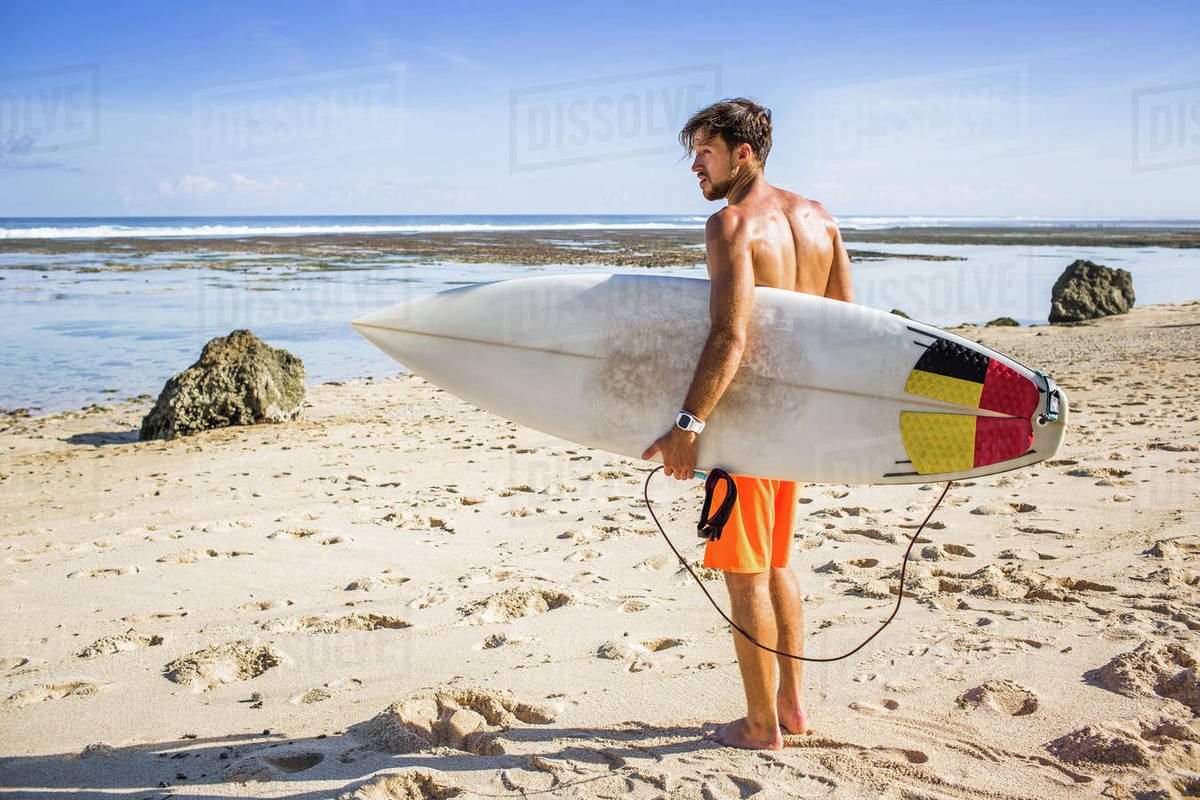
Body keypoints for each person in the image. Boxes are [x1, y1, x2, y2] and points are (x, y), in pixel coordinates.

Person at [641, 98, 854, 750]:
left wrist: (688, 425)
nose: (695, 168)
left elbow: (729, 335)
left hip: (741, 431)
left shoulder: (730, 223)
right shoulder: (820, 221)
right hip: (791, 428)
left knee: (743, 574)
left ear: (743, 152)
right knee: (777, 562)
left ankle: (760, 726)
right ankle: (790, 704)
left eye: (703, 153)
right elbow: (847, 330)